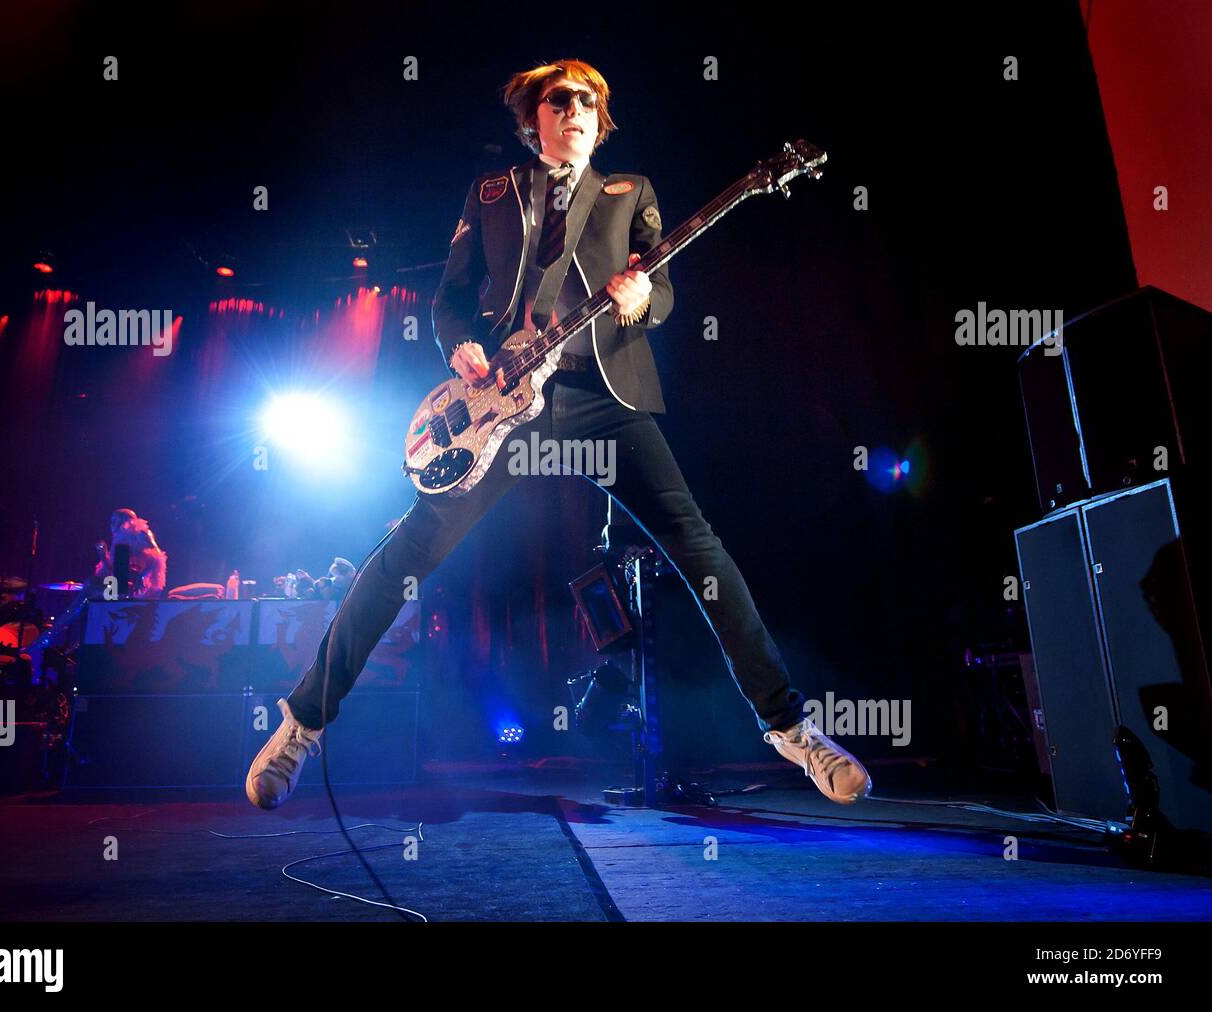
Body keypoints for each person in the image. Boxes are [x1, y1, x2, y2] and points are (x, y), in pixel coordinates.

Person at [246, 59, 869, 810]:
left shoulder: (628, 191)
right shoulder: (488, 196)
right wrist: (459, 346)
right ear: (532, 117)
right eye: (558, 99)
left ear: (601, 119)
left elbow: (662, 288)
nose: (574, 109)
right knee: (406, 552)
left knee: (700, 548)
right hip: (500, 402)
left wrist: (641, 300)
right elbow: (448, 298)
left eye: (589, 101)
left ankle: (792, 729)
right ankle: (300, 725)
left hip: (601, 394)